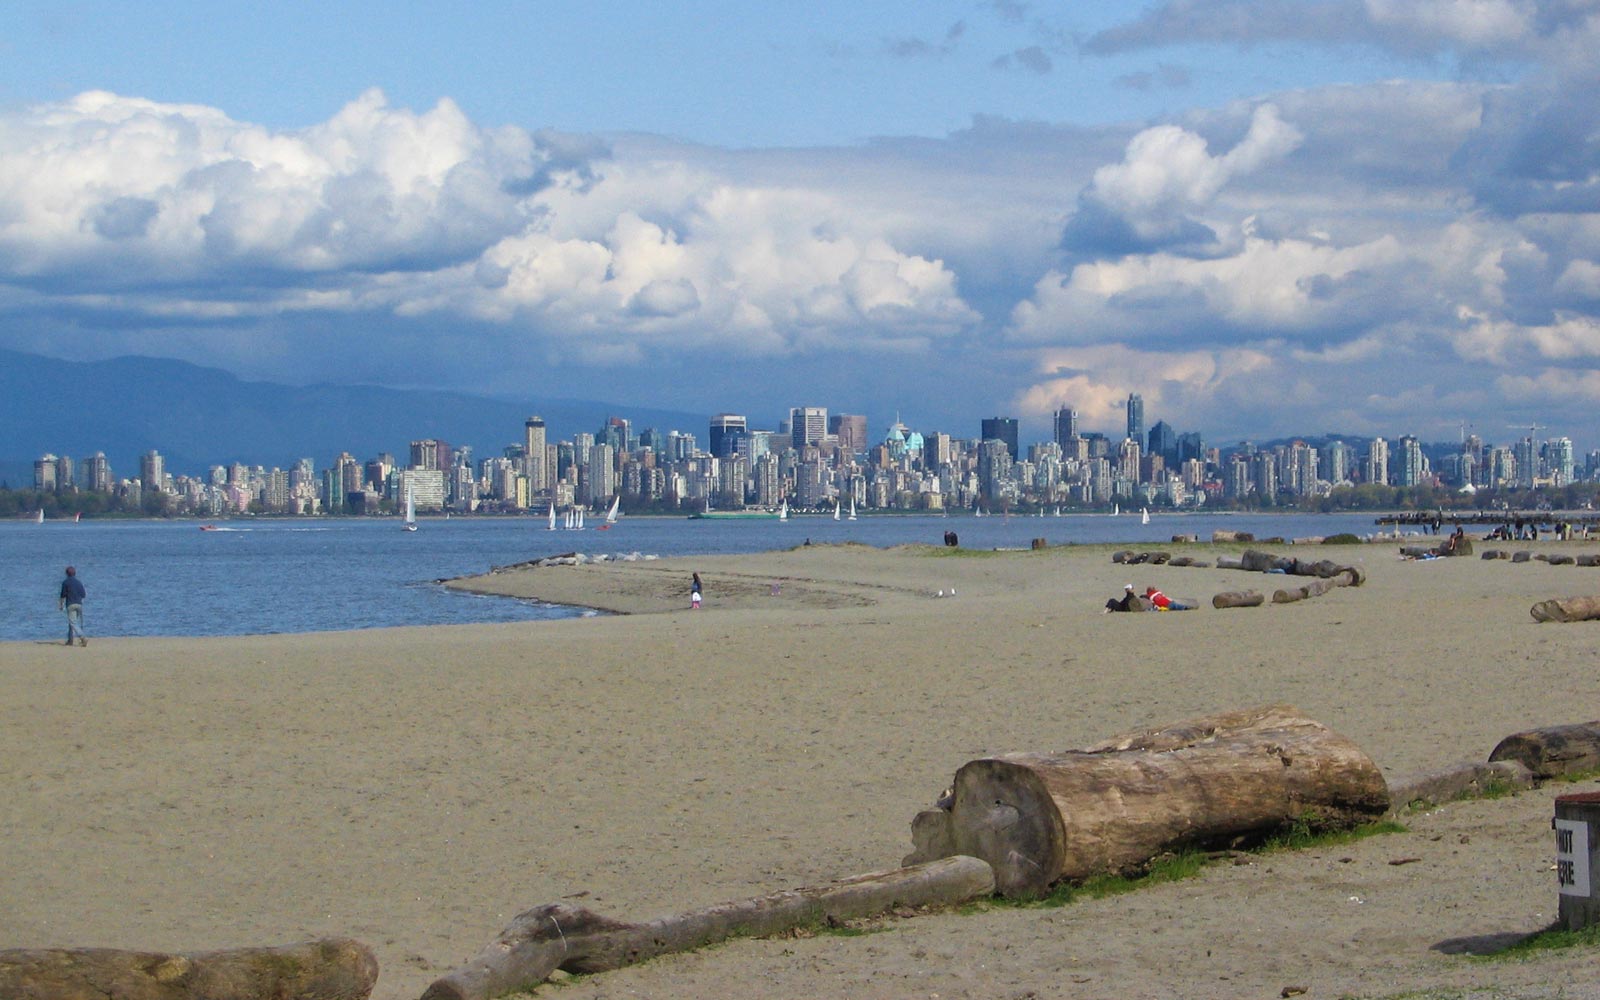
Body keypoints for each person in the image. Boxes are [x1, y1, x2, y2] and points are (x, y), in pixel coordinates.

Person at [58, 565, 87, 646]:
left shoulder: (65, 582)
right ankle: (70, 640)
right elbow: (84, 594)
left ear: (66, 574)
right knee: (73, 622)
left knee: (73, 623)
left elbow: (62, 595)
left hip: (70, 604)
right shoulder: (79, 582)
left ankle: (82, 637)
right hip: (79, 604)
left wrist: (61, 605)